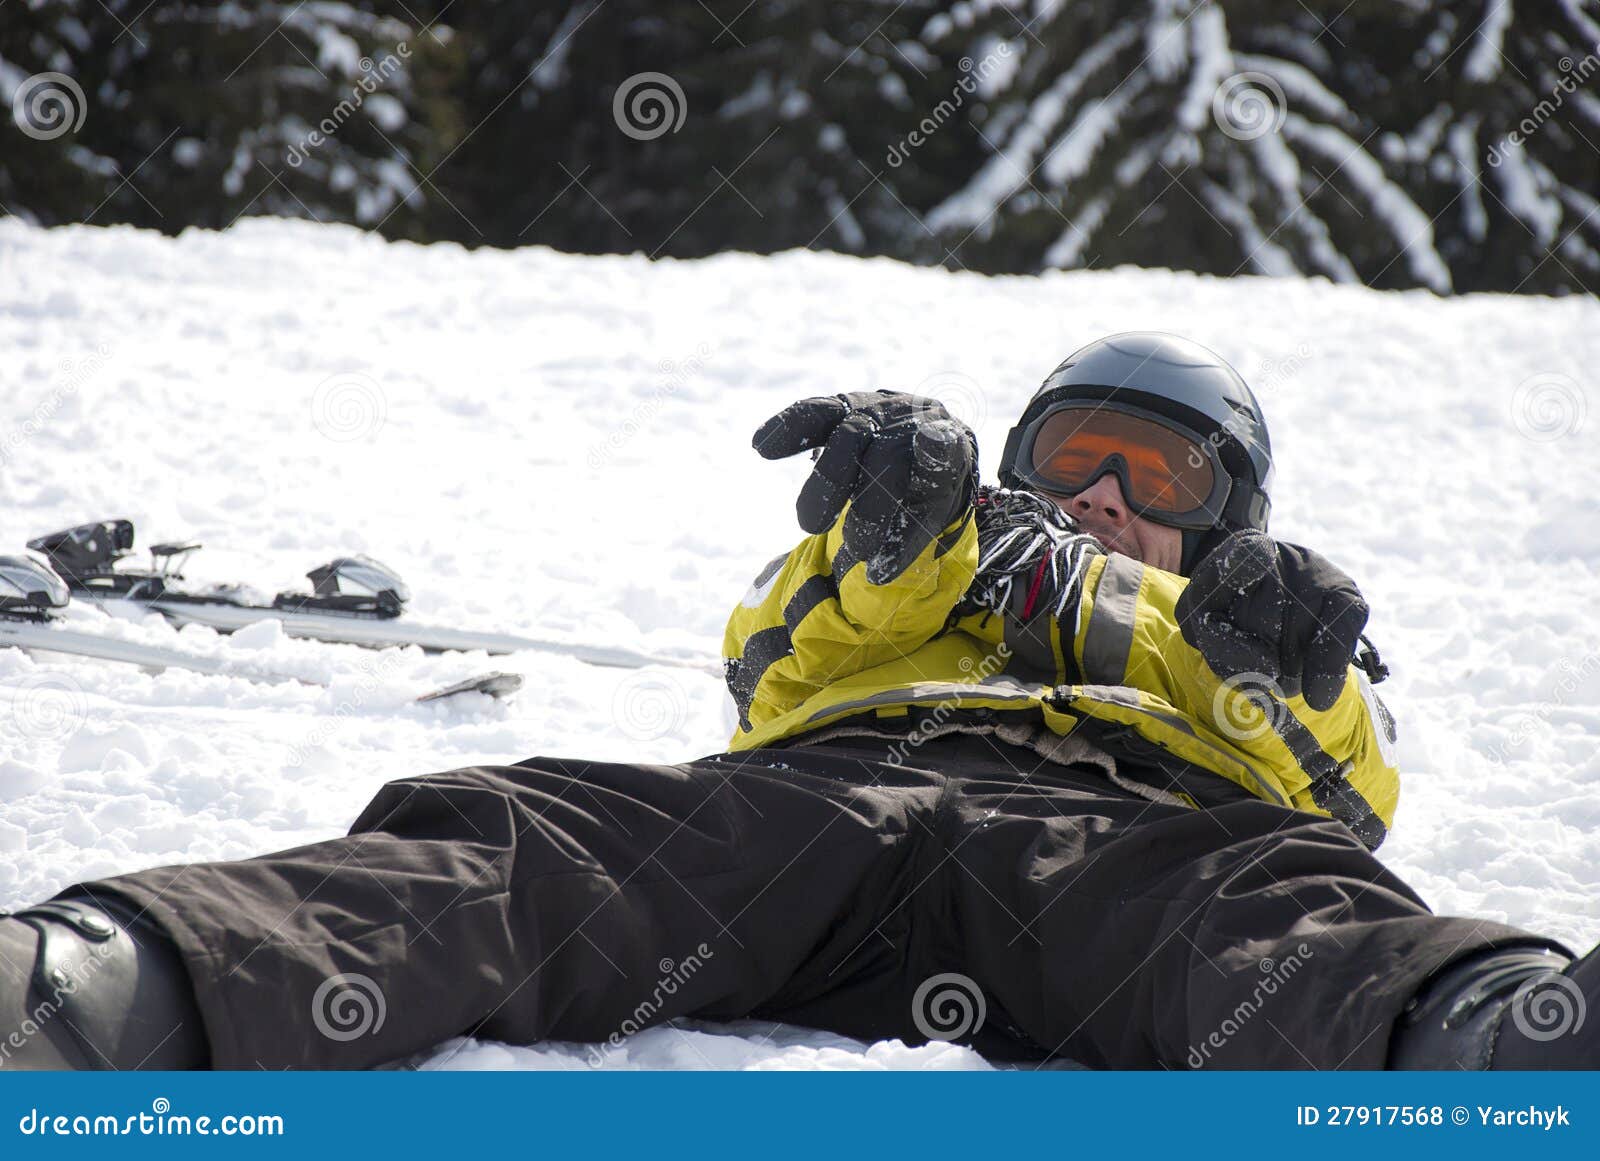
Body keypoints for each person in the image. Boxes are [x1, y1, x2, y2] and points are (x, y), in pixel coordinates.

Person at [1, 333, 1593, 1072]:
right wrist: (904, 530)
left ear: (1225, 513)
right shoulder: (932, 562)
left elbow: (1346, 800)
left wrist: (1267, 669)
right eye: (1074, 457)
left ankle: (1507, 1039)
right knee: (538, 832)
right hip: (836, 803)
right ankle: (108, 988)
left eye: (1157, 472)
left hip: (1126, 845)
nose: (1104, 497)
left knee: (1276, 907)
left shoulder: (1244, 626)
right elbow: (773, 657)